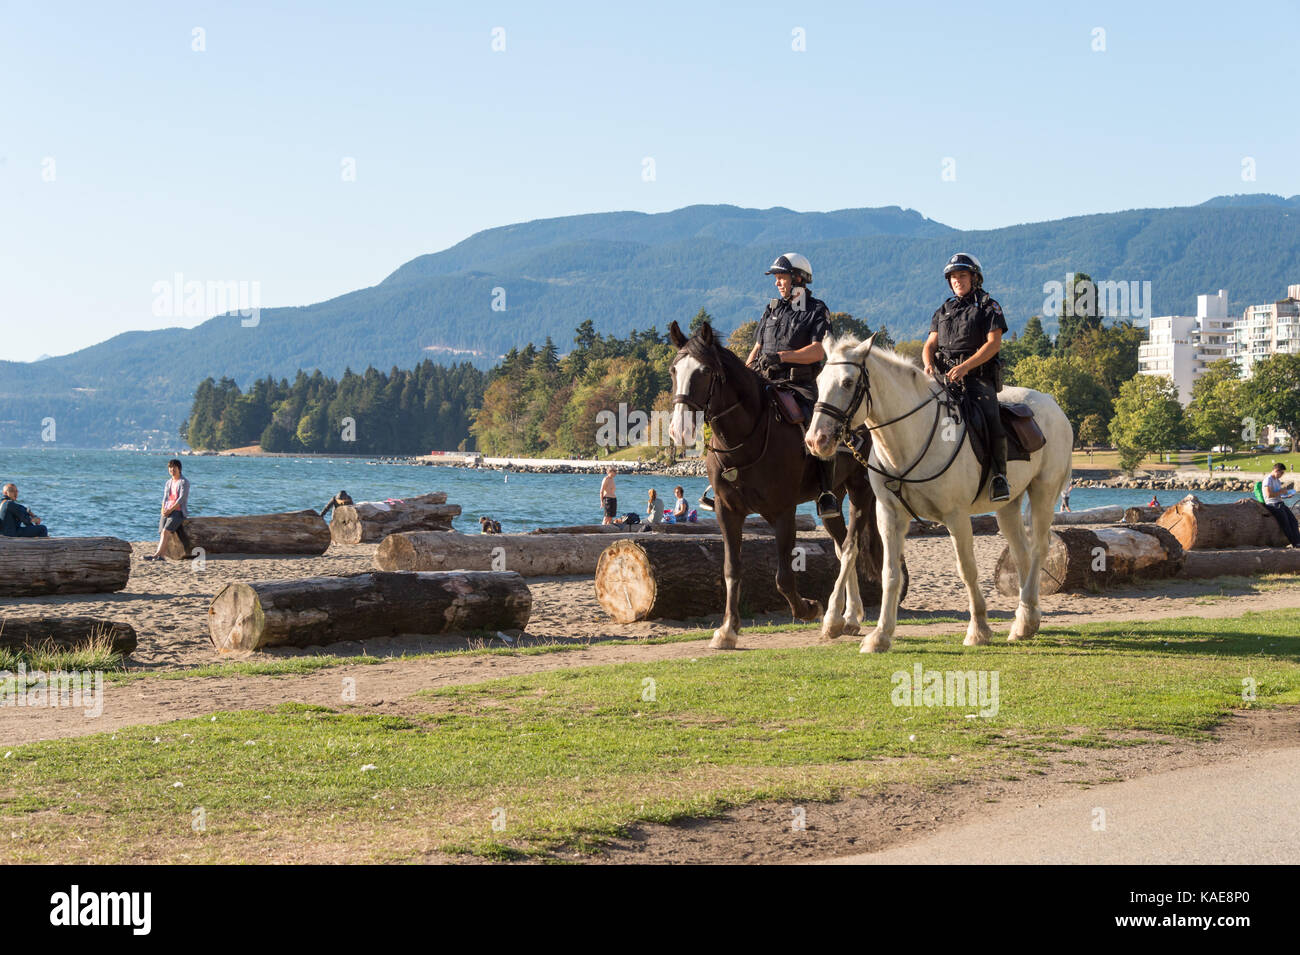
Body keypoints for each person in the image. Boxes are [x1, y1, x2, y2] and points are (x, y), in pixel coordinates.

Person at [744, 252, 838, 518]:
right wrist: (745, 372)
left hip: (800, 384)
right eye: (776, 278)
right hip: (766, 381)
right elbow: (758, 347)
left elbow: (819, 351)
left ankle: (826, 491)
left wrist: (783, 357)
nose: (777, 283)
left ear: (799, 278)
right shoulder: (772, 308)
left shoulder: (816, 309)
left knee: (815, 423)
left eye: (781, 277)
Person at [922, 253, 1010, 502]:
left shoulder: (988, 306)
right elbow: (929, 345)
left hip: (977, 379)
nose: (957, 280)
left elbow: (993, 345)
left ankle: (999, 477)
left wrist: (966, 368)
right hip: (943, 379)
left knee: (992, 419)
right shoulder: (943, 309)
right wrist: (928, 365)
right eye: (953, 277)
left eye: (962, 275)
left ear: (974, 278)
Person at [144, 459, 190, 561]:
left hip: (178, 512)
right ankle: (162, 556)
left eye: (174, 467)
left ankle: (156, 555)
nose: (172, 469)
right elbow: (165, 497)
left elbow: (181, 499)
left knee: (165, 531)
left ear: (179, 469)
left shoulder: (184, 482)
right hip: (167, 511)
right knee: (162, 532)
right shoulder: (169, 482)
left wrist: (170, 510)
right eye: (170, 467)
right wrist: (163, 509)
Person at [1263, 463, 1300, 548]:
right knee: (1286, 523)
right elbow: (1268, 495)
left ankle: (1298, 541)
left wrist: (1286, 496)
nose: (1282, 475)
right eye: (1281, 473)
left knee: (1294, 521)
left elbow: (1277, 494)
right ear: (1276, 471)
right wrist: (1281, 492)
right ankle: (1295, 543)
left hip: (1279, 502)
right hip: (1272, 504)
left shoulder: (1277, 480)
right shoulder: (1268, 480)